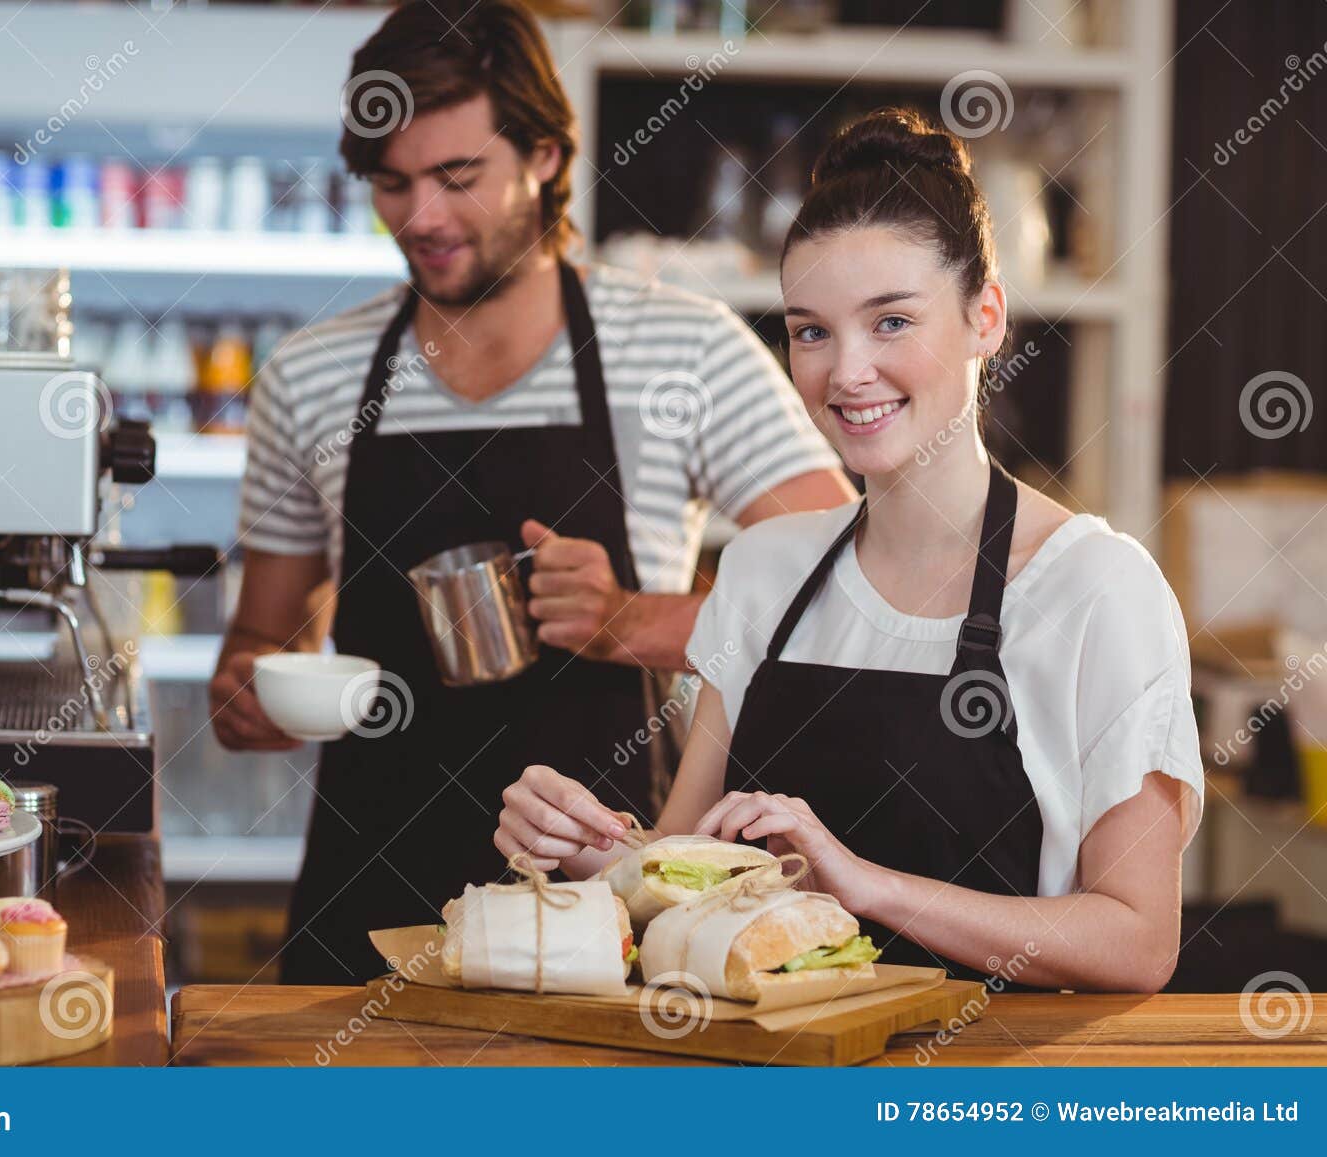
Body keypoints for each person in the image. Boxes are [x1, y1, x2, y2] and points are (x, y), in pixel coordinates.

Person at [209, 0, 853, 985]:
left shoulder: (682, 348)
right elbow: (259, 648)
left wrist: (631, 619)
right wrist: (254, 696)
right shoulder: (312, 377)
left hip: (614, 905)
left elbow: (840, 601)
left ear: (546, 154)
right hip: (367, 909)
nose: (420, 217)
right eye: (392, 184)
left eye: (457, 177)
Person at [495, 108, 1205, 993]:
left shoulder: (1098, 589)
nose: (846, 372)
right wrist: (587, 848)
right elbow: (674, 881)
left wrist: (867, 886)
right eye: (811, 331)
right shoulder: (765, 571)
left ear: (986, 316)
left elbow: (1138, 940)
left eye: (892, 322)